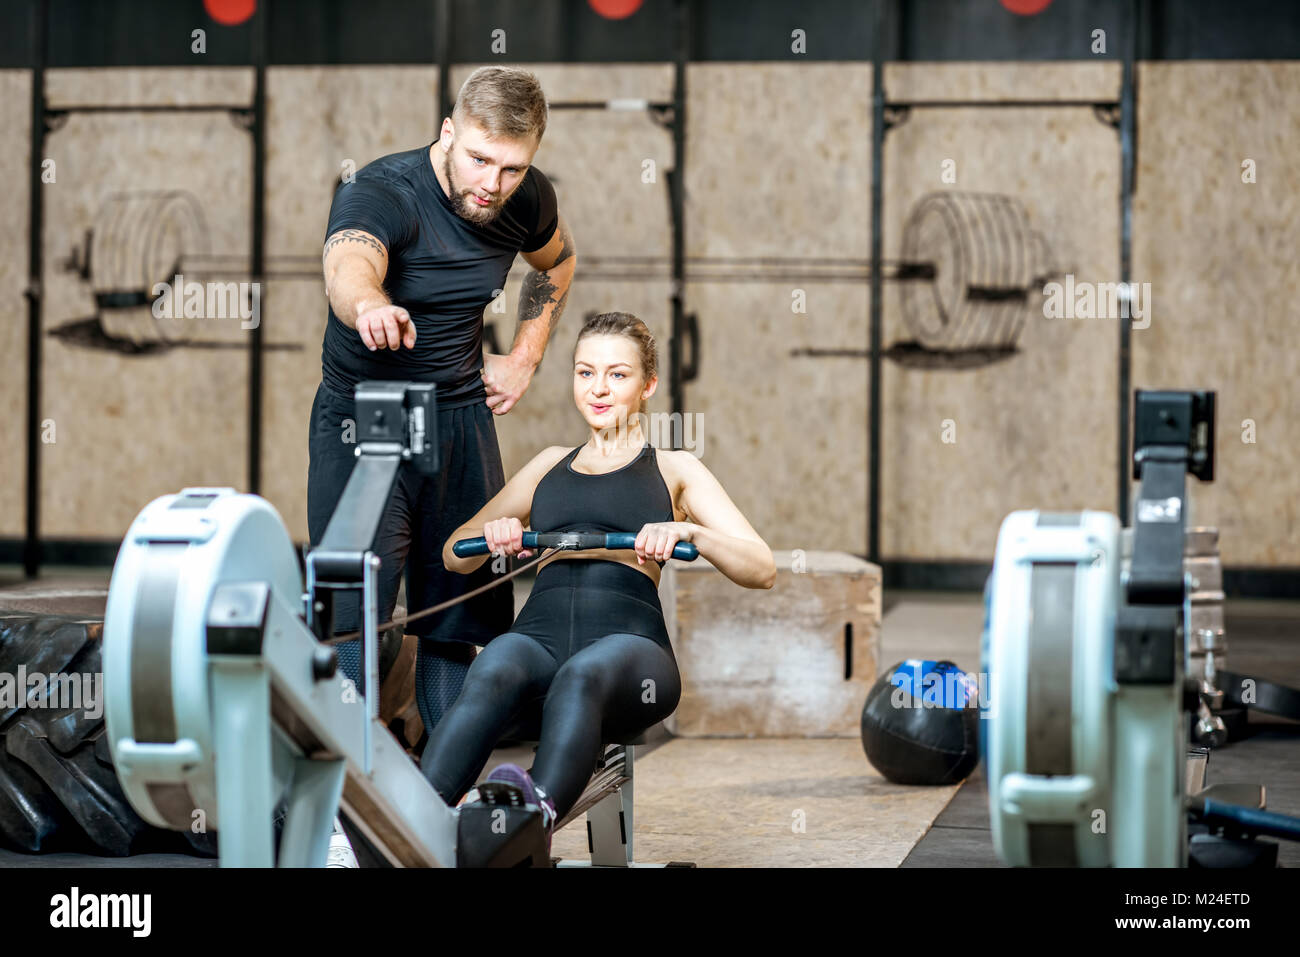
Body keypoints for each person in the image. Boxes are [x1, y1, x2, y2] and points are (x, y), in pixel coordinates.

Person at [422, 311, 776, 852]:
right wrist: (493, 530)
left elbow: (762, 567)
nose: (599, 388)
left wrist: (689, 532)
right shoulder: (548, 465)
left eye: (617, 374)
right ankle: (410, 818)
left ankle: (523, 824)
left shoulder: (675, 468)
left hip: (628, 647)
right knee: (494, 663)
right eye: (585, 373)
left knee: (582, 675)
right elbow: (454, 554)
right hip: (537, 640)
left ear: (648, 384)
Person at [310, 66, 576, 739]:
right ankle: (345, 814)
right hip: (366, 417)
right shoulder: (383, 191)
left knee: (456, 617)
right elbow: (347, 264)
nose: (492, 183)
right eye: (479, 158)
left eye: (512, 168)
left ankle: (442, 805)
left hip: (458, 417)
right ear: (448, 133)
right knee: (353, 613)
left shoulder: (526, 200)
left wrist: (524, 357)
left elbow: (557, 265)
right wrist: (370, 305)